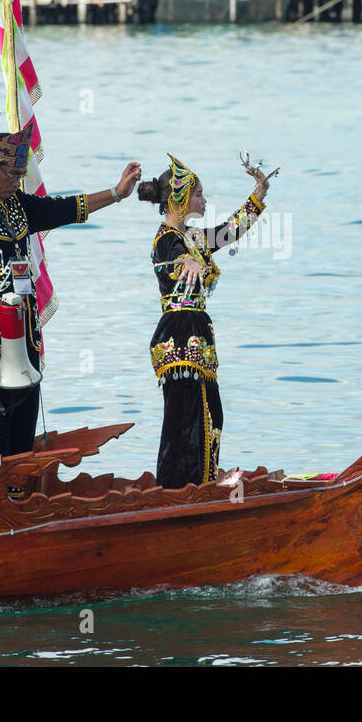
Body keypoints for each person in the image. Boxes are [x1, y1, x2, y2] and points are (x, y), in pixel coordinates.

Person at [0, 114, 141, 456]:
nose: (17, 182)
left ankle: (18, 490)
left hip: (26, 333)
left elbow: (66, 208)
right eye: (12, 175)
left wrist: (116, 193)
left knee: (24, 416)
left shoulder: (18, 205)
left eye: (22, 176)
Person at [138, 153, 272, 487]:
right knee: (185, 417)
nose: (204, 199)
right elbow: (173, 257)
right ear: (181, 198)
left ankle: (199, 481)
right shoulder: (166, 240)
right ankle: (177, 488)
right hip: (179, 338)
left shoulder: (193, 237)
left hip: (196, 336)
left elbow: (229, 232)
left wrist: (259, 194)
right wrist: (189, 264)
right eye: (198, 194)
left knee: (210, 414)